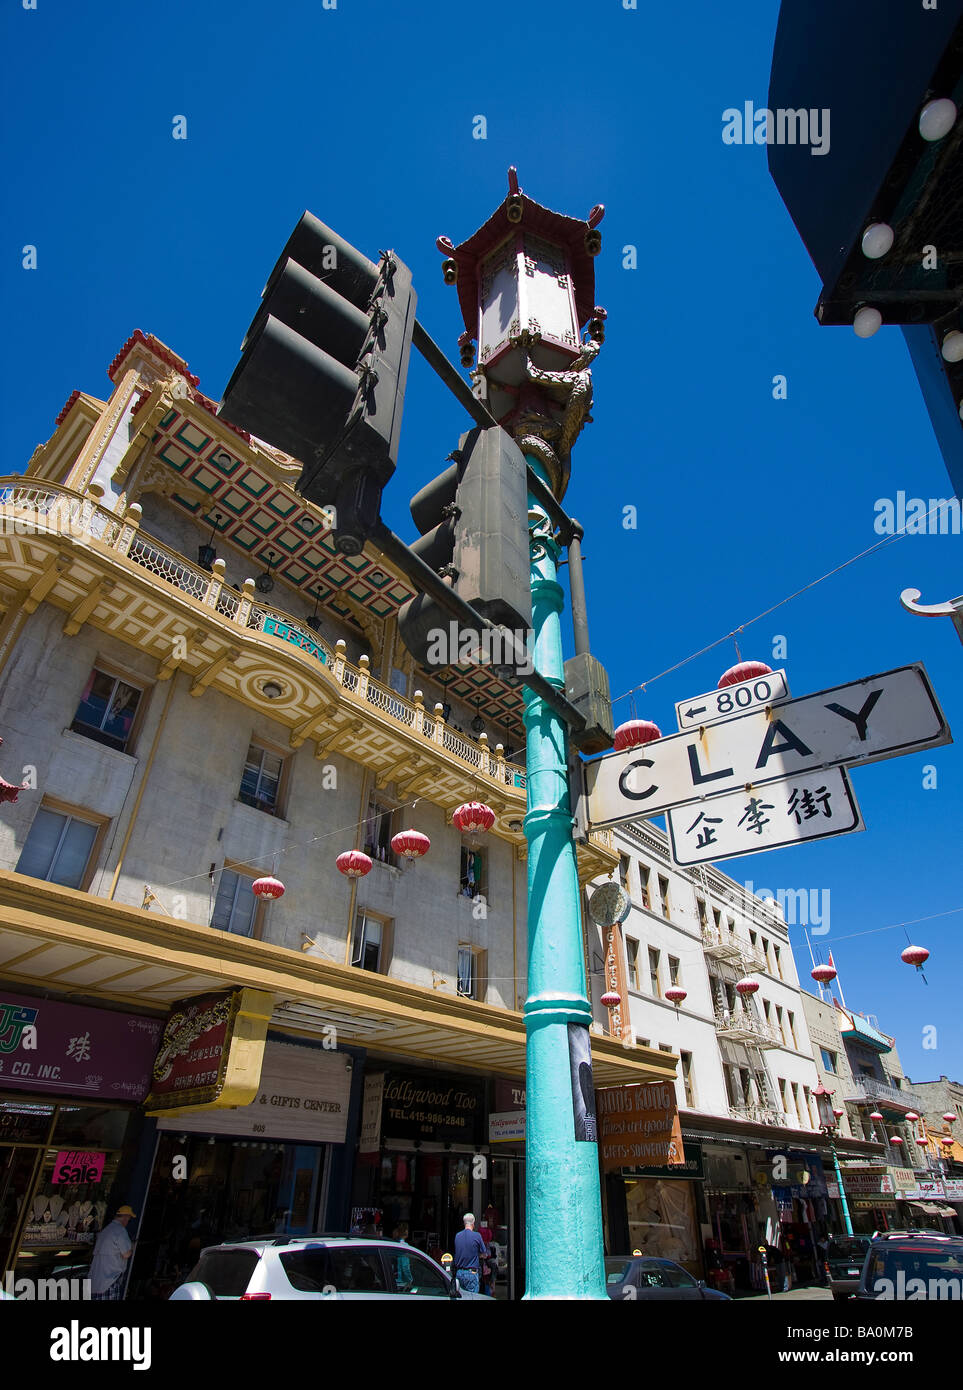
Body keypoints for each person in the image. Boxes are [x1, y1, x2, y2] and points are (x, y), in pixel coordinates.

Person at [89, 1205, 136, 1300]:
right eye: (129, 1218)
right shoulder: (120, 1231)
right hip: (109, 1281)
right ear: (125, 1217)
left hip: (94, 1281)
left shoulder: (105, 1231)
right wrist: (132, 1247)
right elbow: (126, 1254)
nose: (128, 1221)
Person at [452, 1212, 487, 1294]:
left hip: (459, 1273)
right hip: (471, 1273)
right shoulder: (477, 1236)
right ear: (473, 1223)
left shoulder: (457, 1236)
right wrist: (478, 1255)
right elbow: (484, 1254)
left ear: (464, 1223)